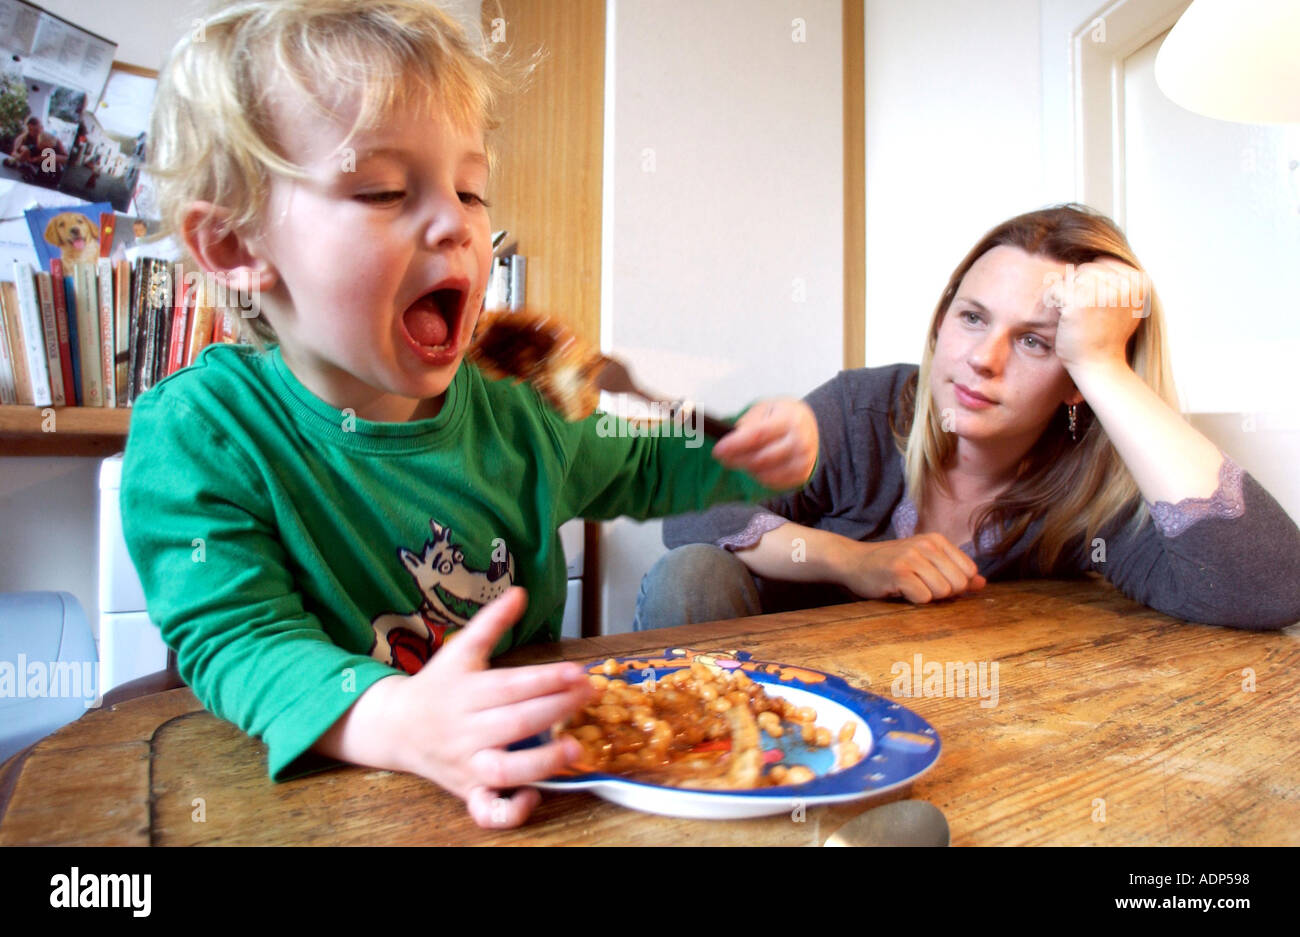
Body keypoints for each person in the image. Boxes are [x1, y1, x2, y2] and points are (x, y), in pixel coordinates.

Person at [120, 0, 818, 829]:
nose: (455, 222)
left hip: (536, 794)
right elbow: (239, 640)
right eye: (382, 189)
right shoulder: (202, 434)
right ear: (237, 246)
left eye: (472, 188)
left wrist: (747, 444)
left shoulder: (518, 407)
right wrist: (396, 719)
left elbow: (642, 461)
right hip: (331, 812)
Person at [640, 203, 1300, 631]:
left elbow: (1268, 589)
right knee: (693, 570)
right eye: (973, 317)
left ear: (1074, 382)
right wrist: (857, 561)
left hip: (953, 724)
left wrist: (1105, 368)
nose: (983, 359)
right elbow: (696, 502)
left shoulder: (1085, 493)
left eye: (1037, 341)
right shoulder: (867, 410)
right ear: (941, 322)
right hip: (784, 704)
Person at [4, 115, 68, 184]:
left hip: (49, 172)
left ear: (42, 128)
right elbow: (13, 153)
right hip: (28, 169)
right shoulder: (23, 138)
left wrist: (46, 157)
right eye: (30, 130)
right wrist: (23, 155)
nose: (33, 133)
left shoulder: (53, 140)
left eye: (36, 130)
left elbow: (66, 159)